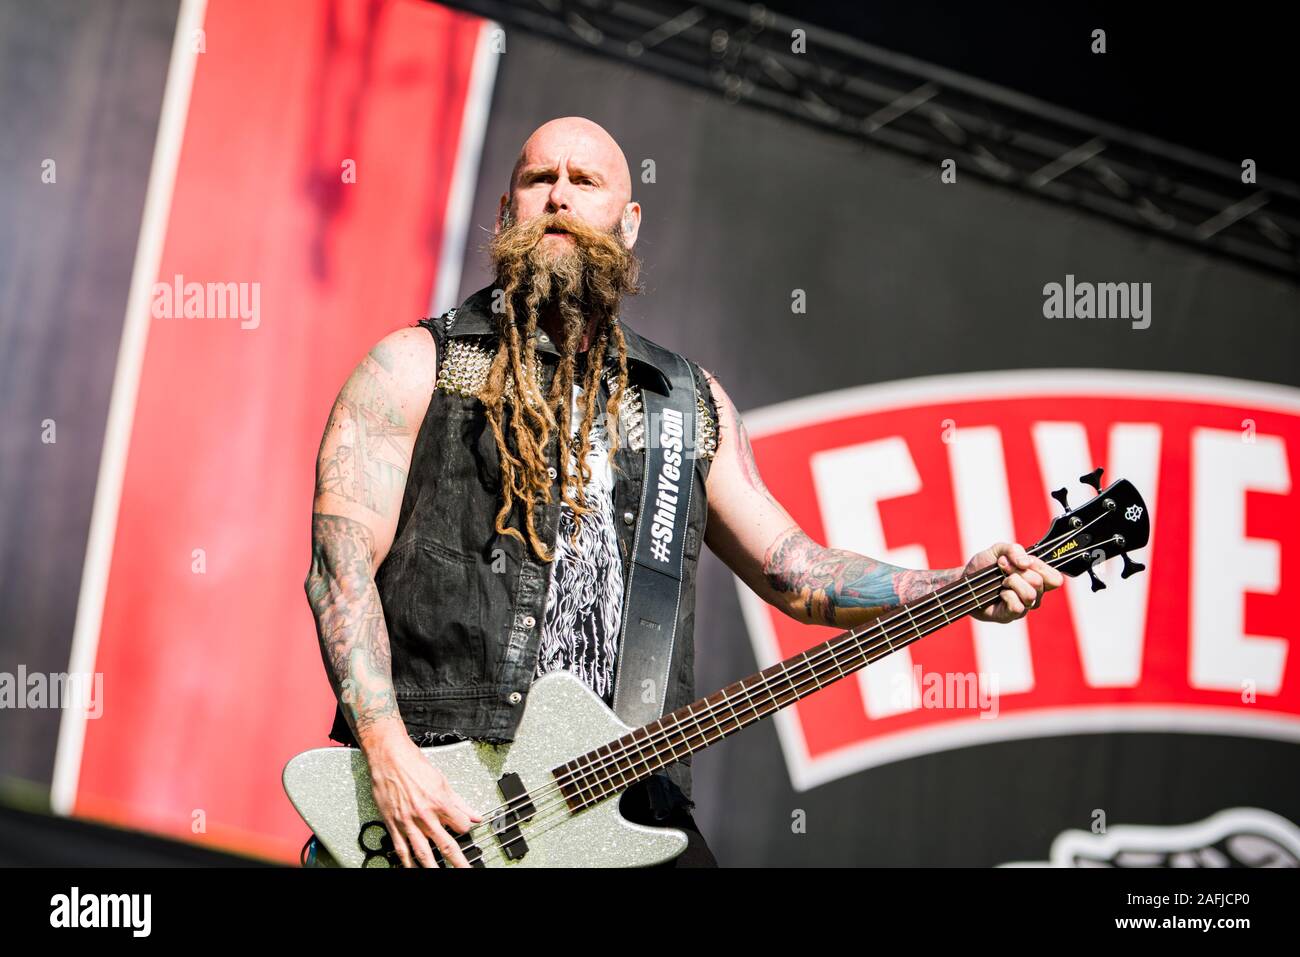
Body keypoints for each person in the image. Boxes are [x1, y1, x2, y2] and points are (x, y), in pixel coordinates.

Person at [302, 116, 1063, 868]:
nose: (559, 198)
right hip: (449, 802)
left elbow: (796, 570)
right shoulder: (416, 366)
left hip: (626, 801)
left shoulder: (686, 404)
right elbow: (340, 573)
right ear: (506, 213)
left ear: (628, 224)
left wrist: (950, 585)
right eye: (538, 180)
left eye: (584, 181)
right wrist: (388, 752)